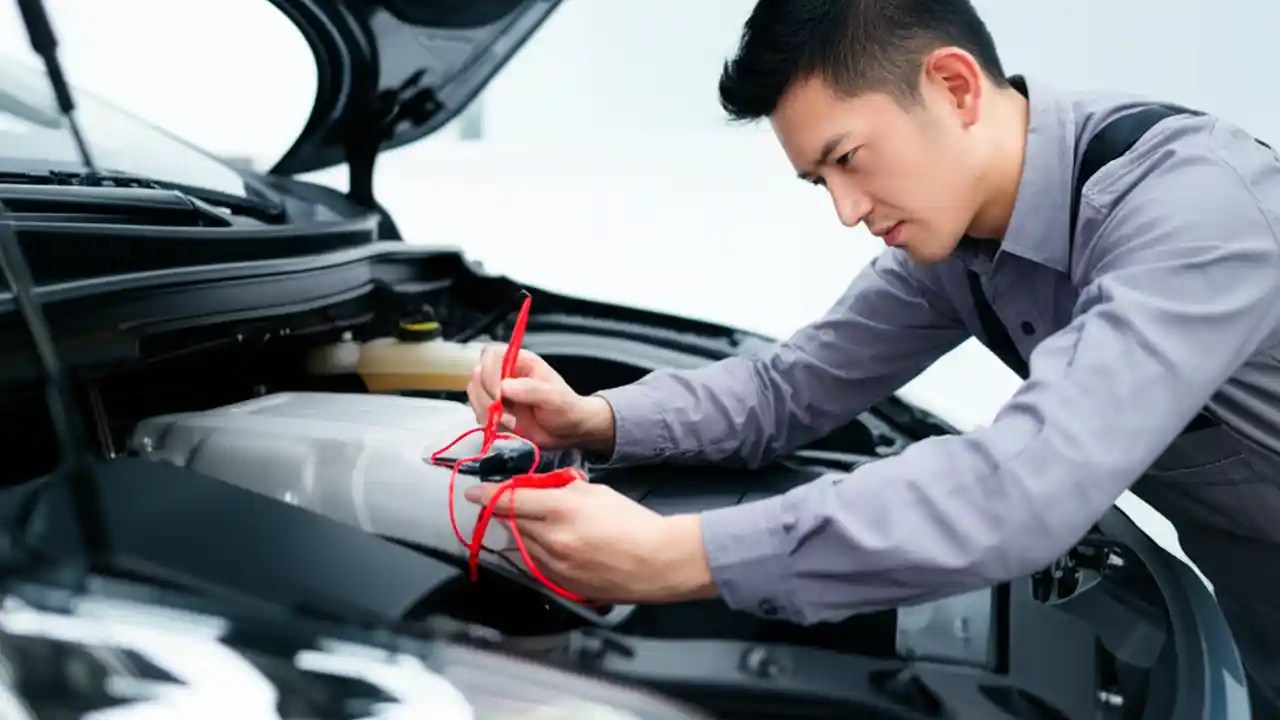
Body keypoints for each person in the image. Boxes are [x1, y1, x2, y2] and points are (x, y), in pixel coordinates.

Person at [464, 0, 1280, 714]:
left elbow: (1025, 487)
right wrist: (597, 419)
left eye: (848, 158)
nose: (848, 212)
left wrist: (676, 557)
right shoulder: (955, 247)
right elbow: (791, 389)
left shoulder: (1192, 207)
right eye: (820, 182)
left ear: (955, 87)